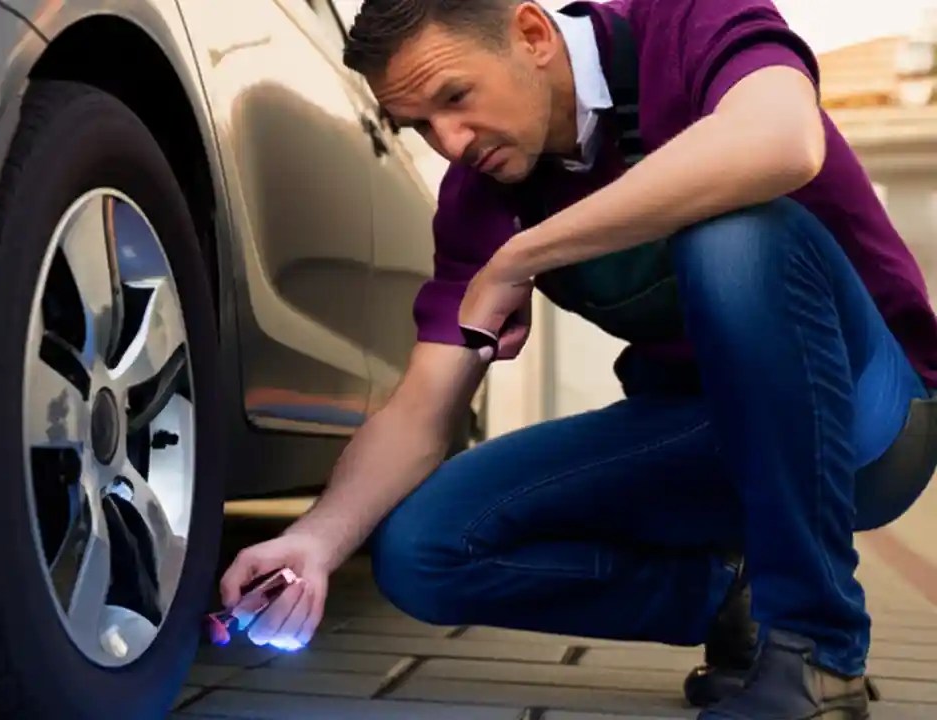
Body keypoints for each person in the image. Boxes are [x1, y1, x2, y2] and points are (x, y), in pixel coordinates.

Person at [218, 0, 937, 717]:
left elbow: (781, 141)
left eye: (456, 98)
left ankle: (816, 648)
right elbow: (420, 412)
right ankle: (734, 599)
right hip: (704, 431)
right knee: (423, 547)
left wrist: (524, 255)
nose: (452, 142)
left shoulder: (682, 22)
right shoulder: (478, 197)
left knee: (732, 235)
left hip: (869, 418)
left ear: (530, 33)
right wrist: (314, 540)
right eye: (420, 127)